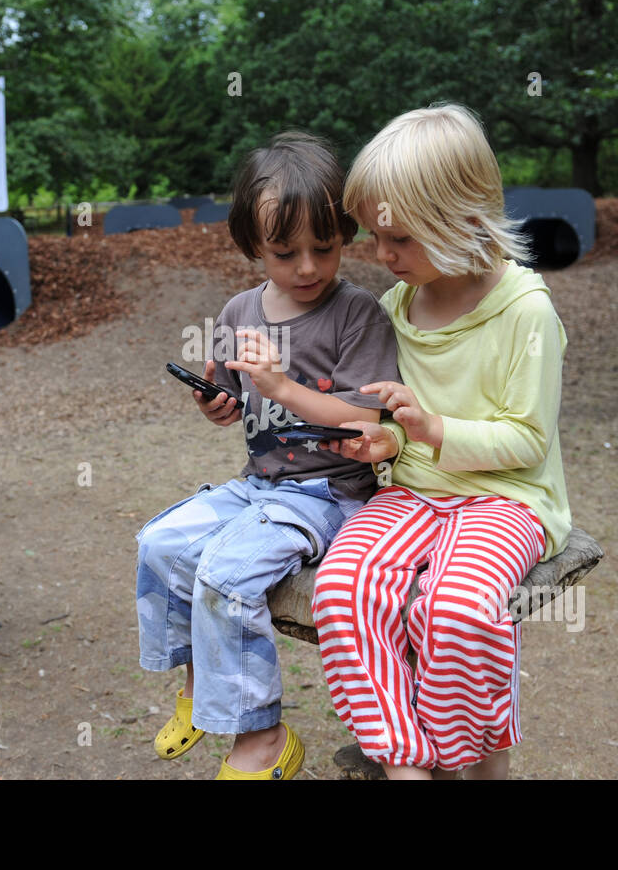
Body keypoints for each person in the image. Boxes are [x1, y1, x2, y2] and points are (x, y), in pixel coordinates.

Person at [311, 103, 572, 780]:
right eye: (375, 235)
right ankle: (407, 761)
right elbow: (398, 425)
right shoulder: (400, 306)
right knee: (344, 587)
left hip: (506, 500)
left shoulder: (525, 311)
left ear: (462, 218)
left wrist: (433, 429)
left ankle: (479, 761)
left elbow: (527, 440)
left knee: (455, 608)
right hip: (416, 495)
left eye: (398, 238)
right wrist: (386, 444)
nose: (381, 254)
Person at [136, 132, 400, 779]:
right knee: (160, 542)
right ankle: (200, 689)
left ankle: (262, 736)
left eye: (324, 247)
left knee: (226, 573)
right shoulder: (238, 311)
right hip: (258, 485)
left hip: (327, 495)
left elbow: (364, 416)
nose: (307, 267)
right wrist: (217, 404)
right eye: (286, 252)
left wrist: (283, 386)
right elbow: (231, 396)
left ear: (344, 234)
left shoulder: (356, 315)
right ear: (254, 245)